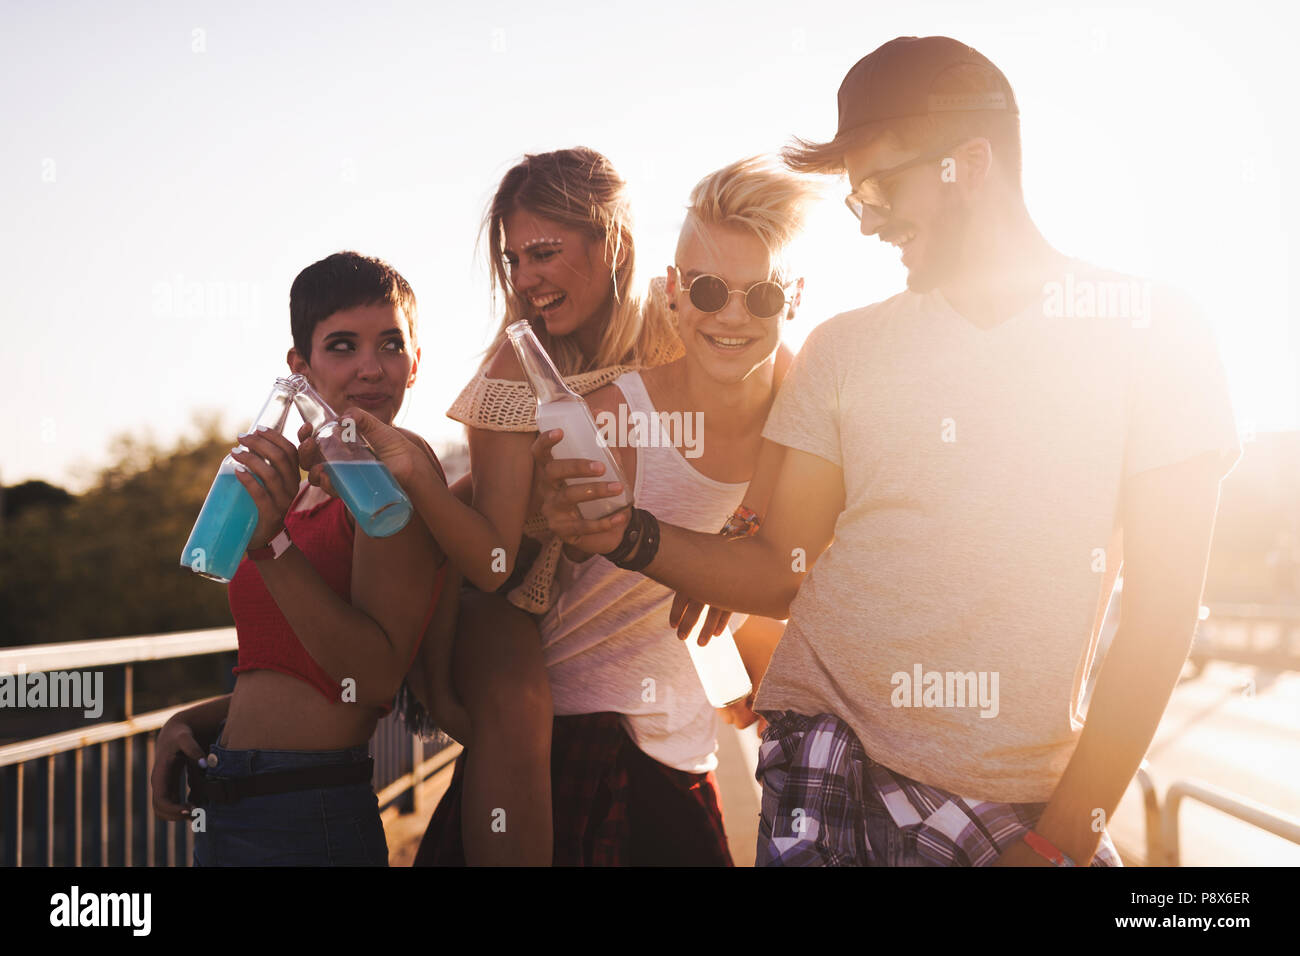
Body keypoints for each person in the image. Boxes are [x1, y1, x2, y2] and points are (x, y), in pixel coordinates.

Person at [534, 36, 1242, 867]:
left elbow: (1159, 622)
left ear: (970, 163)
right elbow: (777, 566)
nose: (866, 222)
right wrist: (625, 534)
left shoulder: (1156, 337)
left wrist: (1062, 841)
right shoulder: (843, 349)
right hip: (818, 774)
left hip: (1010, 805)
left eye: (877, 189)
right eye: (855, 200)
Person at [345, 155, 814, 864]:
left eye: (544, 253)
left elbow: (782, 380)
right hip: (500, 589)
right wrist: (440, 680)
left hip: (637, 671)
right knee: (517, 709)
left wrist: (733, 550)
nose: (525, 276)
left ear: (615, 246)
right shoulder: (514, 376)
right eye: (514, 259)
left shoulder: (692, 318)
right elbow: (494, 562)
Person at [150, 251, 451, 866]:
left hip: (306, 817)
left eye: (391, 345)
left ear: (416, 362)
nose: (371, 368)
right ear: (300, 366)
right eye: (342, 345)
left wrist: (269, 546)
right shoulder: (299, 480)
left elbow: (369, 681)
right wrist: (193, 720)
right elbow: (293, 676)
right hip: (231, 800)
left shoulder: (395, 480)